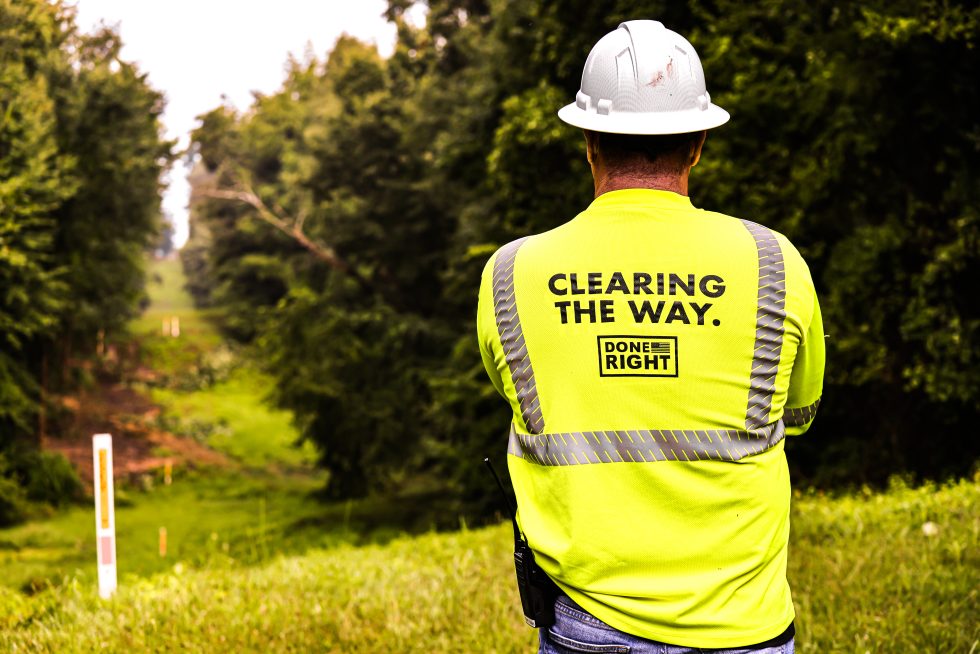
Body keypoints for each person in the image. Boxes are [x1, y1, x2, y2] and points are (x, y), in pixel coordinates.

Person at [476, 20, 825, 654]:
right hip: (746, 624)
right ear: (698, 144)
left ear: (588, 142)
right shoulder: (774, 262)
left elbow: (526, 399)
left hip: (588, 624)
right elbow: (799, 415)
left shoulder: (511, 273)